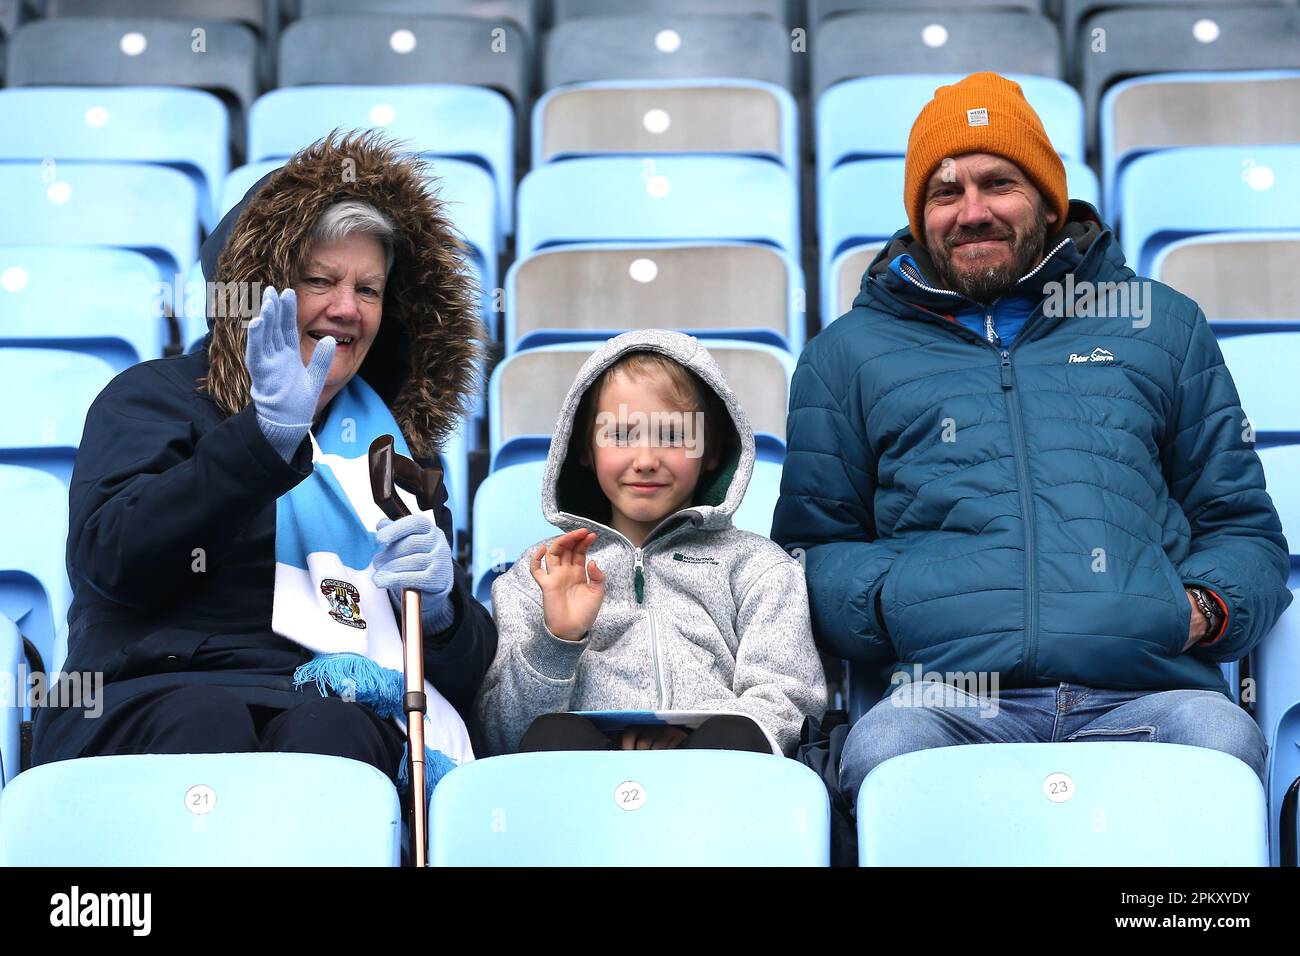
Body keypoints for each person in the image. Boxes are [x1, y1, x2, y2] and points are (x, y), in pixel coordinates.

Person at [772, 73, 1292, 806]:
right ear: (920, 216)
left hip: (1147, 693)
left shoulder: (1159, 323)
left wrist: (1198, 610)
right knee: (886, 750)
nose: (972, 211)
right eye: (945, 192)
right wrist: (897, 602)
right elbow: (808, 553)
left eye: (999, 183)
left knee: (1222, 742)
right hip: (954, 700)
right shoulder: (847, 355)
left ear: (1048, 200)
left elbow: (1241, 528)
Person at [32, 131, 495, 789]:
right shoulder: (151, 397)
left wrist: (446, 612)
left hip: (333, 700)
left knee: (335, 733)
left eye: (368, 289)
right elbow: (113, 561)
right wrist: (260, 444)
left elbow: (463, 680)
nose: (346, 309)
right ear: (257, 289)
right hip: (151, 691)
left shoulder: (395, 449)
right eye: (319, 281)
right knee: (208, 719)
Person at [475, 329, 826, 756]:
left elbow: (789, 698)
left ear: (712, 452)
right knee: (554, 737)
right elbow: (502, 736)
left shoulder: (758, 567)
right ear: (585, 449)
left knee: (733, 738)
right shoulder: (542, 573)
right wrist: (558, 639)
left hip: (714, 782)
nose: (645, 461)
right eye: (621, 436)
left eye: (674, 436)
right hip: (584, 789)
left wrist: (694, 740)